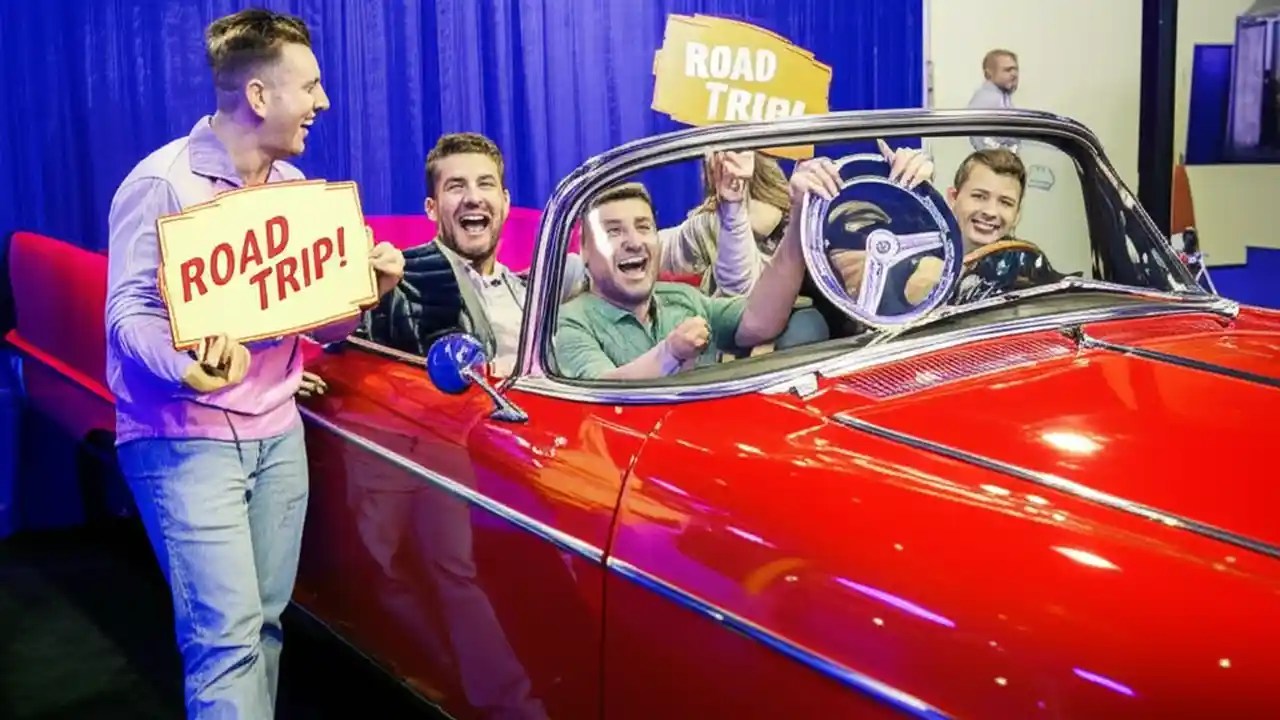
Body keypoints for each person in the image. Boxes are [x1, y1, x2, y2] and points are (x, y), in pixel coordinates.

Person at [103, 9, 404, 718]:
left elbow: (322, 326)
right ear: (261, 96)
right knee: (226, 641)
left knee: (264, 627)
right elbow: (128, 316)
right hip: (183, 441)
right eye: (312, 87)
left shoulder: (294, 188)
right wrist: (187, 365)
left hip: (277, 435)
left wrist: (368, 294)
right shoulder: (161, 184)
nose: (323, 103)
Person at [555, 158, 841, 380]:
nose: (633, 242)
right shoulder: (572, 321)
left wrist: (801, 216)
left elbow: (759, 321)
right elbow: (601, 395)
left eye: (643, 227)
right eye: (613, 232)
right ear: (585, 252)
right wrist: (670, 353)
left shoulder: (683, 298)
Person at [359, 132, 585, 374]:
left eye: (485, 184)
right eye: (456, 187)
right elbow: (346, 343)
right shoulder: (403, 282)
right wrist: (371, 296)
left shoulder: (533, 291)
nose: (473, 198)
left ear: (505, 202)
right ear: (431, 209)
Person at [902, 147, 1029, 304]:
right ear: (953, 198)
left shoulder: (1027, 265)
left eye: (1005, 202)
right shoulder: (917, 251)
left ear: (1017, 215)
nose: (990, 212)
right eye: (979, 196)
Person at [967, 49, 1022, 153]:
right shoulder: (987, 100)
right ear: (989, 73)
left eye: (1015, 69)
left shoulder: (1002, 98)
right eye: (1008, 70)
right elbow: (982, 141)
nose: (1014, 74)